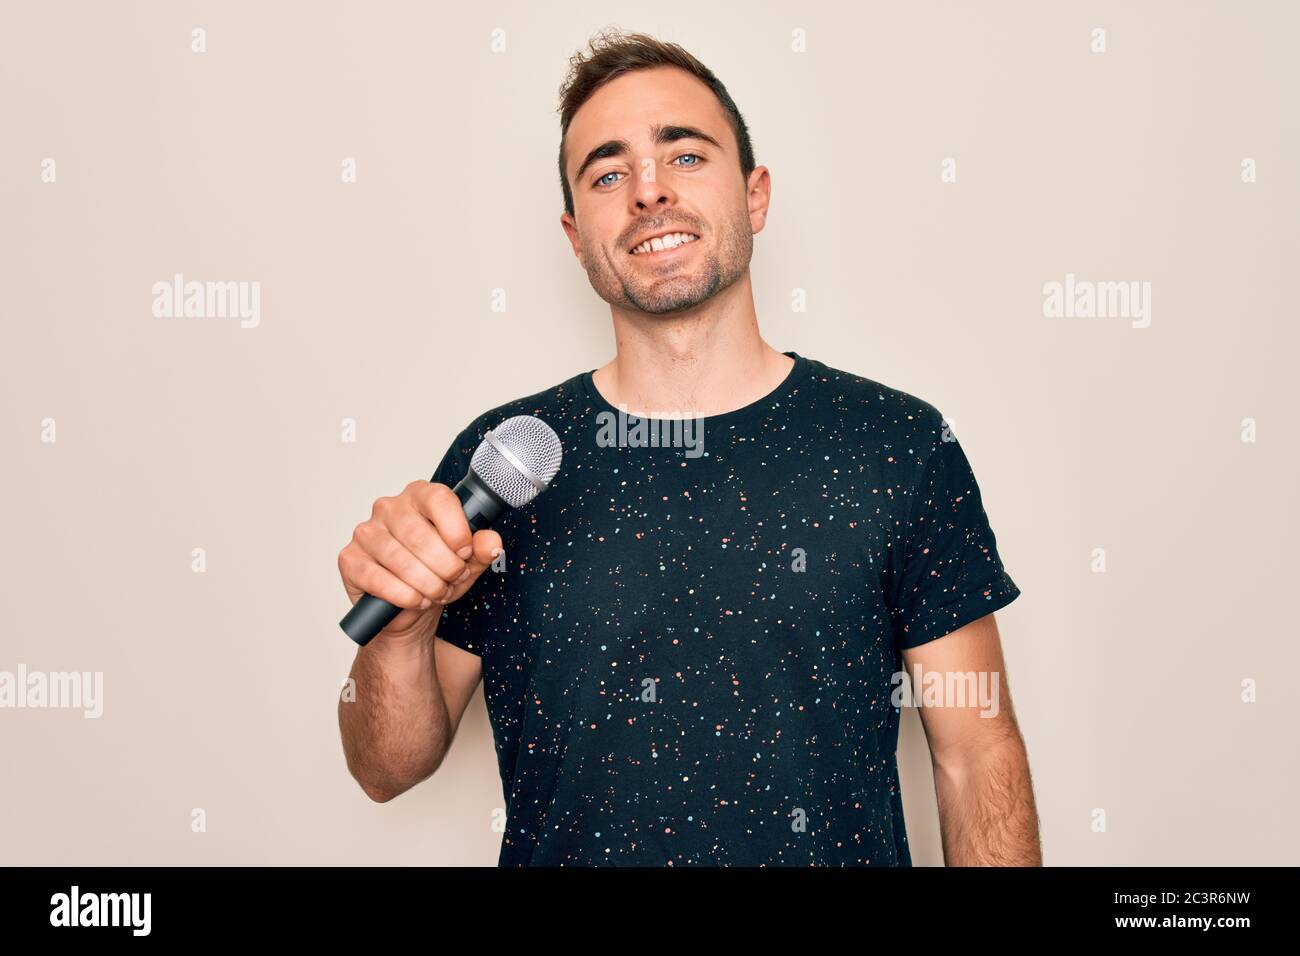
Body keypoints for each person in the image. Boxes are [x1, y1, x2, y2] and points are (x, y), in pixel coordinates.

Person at [337, 30, 1040, 867]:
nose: (647, 193)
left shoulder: (897, 445)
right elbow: (386, 769)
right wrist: (401, 636)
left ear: (757, 196)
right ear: (573, 235)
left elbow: (976, 756)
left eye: (686, 156)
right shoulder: (505, 463)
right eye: (607, 173)